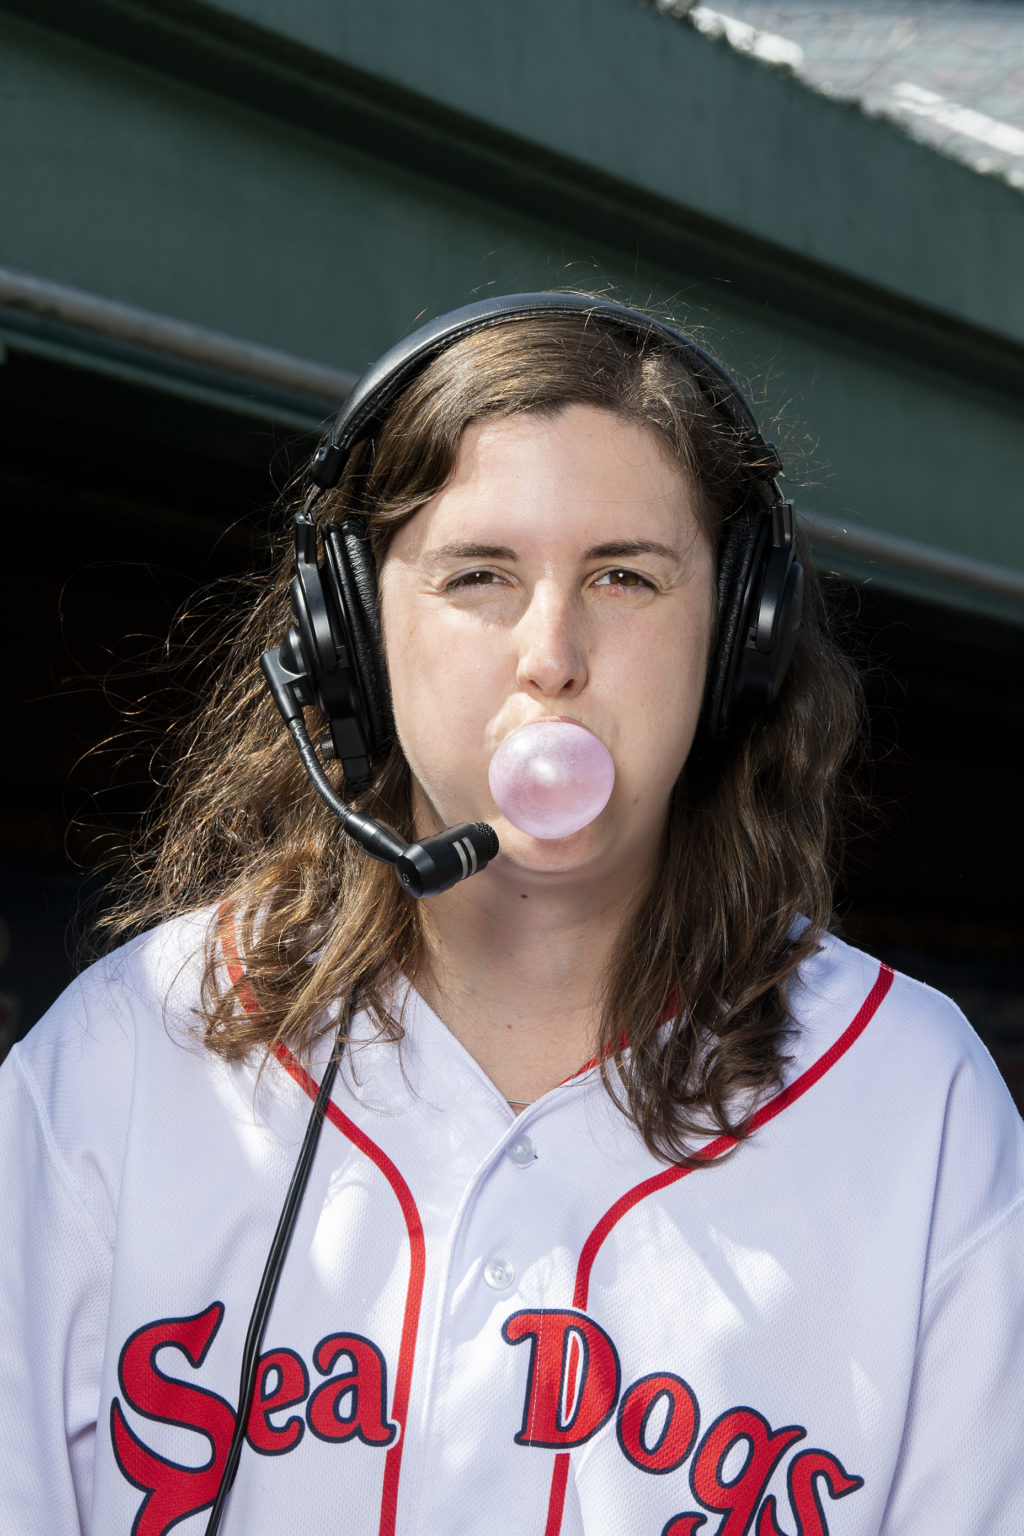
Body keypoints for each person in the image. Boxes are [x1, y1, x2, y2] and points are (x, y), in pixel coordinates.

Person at [1, 293, 1021, 1536]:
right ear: (351, 639)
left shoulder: (916, 1103)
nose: (553, 651)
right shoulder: (127, 1053)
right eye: (478, 574)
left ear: (739, 639)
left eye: (626, 576)